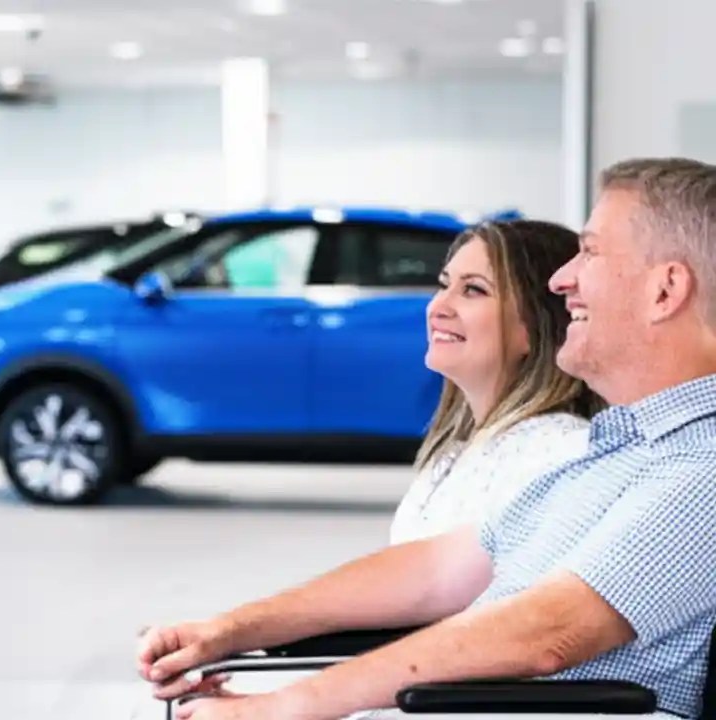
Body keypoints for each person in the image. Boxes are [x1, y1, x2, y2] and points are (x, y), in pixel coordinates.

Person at [138, 157, 716, 720]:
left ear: (665, 290)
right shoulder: (618, 452)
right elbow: (435, 572)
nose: (562, 280)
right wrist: (230, 630)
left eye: (589, 252)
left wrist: (279, 708)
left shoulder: (700, 464)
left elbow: (546, 632)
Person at [389, 219, 602, 544]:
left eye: (473, 290)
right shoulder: (455, 453)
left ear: (535, 324)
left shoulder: (558, 455)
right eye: (444, 285)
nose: (438, 307)